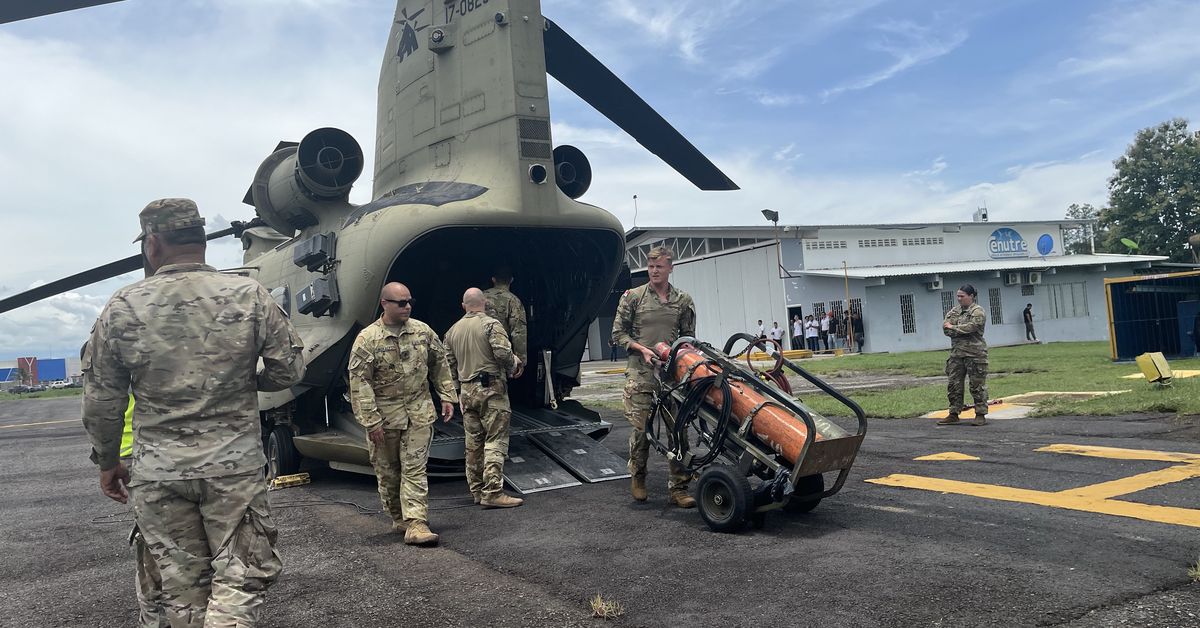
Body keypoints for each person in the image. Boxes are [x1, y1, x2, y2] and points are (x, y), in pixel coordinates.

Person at [82, 198, 305, 628]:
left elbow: (102, 400)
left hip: (159, 472)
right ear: (202, 241)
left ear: (152, 244)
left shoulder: (123, 306)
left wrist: (109, 462)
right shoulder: (249, 294)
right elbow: (290, 368)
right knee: (240, 576)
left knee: (180, 586)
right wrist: (246, 381)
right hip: (233, 466)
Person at [349, 282, 458, 546]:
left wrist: (447, 394)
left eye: (409, 301)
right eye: (400, 303)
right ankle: (399, 517)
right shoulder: (368, 339)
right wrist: (370, 420)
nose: (407, 306)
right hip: (385, 418)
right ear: (384, 304)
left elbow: (439, 362)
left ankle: (417, 522)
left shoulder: (422, 332)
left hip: (419, 412)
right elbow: (359, 382)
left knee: (415, 468)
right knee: (388, 472)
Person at [612, 246, 697, 508]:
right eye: (650, 267)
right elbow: (618, 334)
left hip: (671, 377)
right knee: (641, 431)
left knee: (678, 430)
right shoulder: (633, 297)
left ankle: (679, 488)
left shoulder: (683, 300)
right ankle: (638, 478)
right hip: (640, 373)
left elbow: (688, 339)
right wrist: (641, 349)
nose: (654, 271)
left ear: (670, 268)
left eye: (659, 267)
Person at [443, 288, 525, 509]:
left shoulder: (452, 331)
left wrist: (458, 391)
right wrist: (514, 364)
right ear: (485, 302)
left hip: (467, 393)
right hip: (491, 390)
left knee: (473, 444)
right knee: (495, 440)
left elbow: (448, 366)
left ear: (463, 306)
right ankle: (493, 491)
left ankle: (477, 491)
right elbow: (501, 352)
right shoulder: (491, 324)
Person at [938, 284, 989, 426]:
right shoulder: (954, 311)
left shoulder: (978, 311)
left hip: (975, 354)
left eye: (962, 296)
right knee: (954, 384)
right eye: (958, 296)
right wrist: (956, 329)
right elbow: (945, 328)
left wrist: (954, 328)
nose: (959, 299)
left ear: (971, 296)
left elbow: (972, 327)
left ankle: (980, 414)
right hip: (957, 354)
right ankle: (953, 413)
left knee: (977, 385)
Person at [484, 266, 528, 368]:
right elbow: (518, 333)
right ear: (511, 280)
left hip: (477, 351)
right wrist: (520, 360)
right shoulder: (513, 301)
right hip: (499, 352)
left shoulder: (479, 297)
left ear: (493, 279)